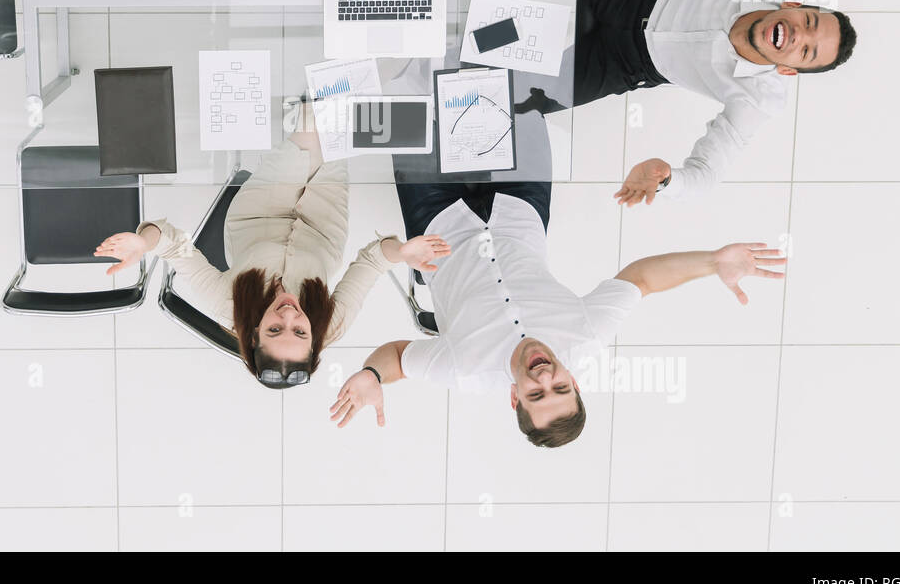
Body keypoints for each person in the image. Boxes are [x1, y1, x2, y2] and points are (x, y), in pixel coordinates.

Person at [477, 0, 858, 205]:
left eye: (806, 52)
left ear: (789, 71)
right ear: (794, 5)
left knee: (510, 104)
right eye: (808, 22)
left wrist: (669, 181)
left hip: (625, 63)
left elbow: (707, 174)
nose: (796, 37)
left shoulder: (761, 100)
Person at [330, 175, 784, 446]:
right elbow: (643, 280)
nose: (545, 379)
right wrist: (711, 262)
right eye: (561, 387)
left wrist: (369, 377)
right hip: (520, 202)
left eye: (535, 395)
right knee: (509, 77)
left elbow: (395, 358)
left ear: (514, 398)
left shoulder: (463, 369)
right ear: (575, 380)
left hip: (435, 217)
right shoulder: (586, 336)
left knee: (417, 108)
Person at [94, 102, 450, 388]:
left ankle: (307, 115)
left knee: (322, 118)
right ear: (314, 337)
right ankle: (312, 114)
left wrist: (144, 241)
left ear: (253, 332)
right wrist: (401, 253)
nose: (290, 315)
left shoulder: (228, 305)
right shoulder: (333, 324)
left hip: (257, 215)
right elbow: (373, 262)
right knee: (338, 129)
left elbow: (173, 245)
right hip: (323, 224)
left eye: (275, 329)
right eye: (300, 330)